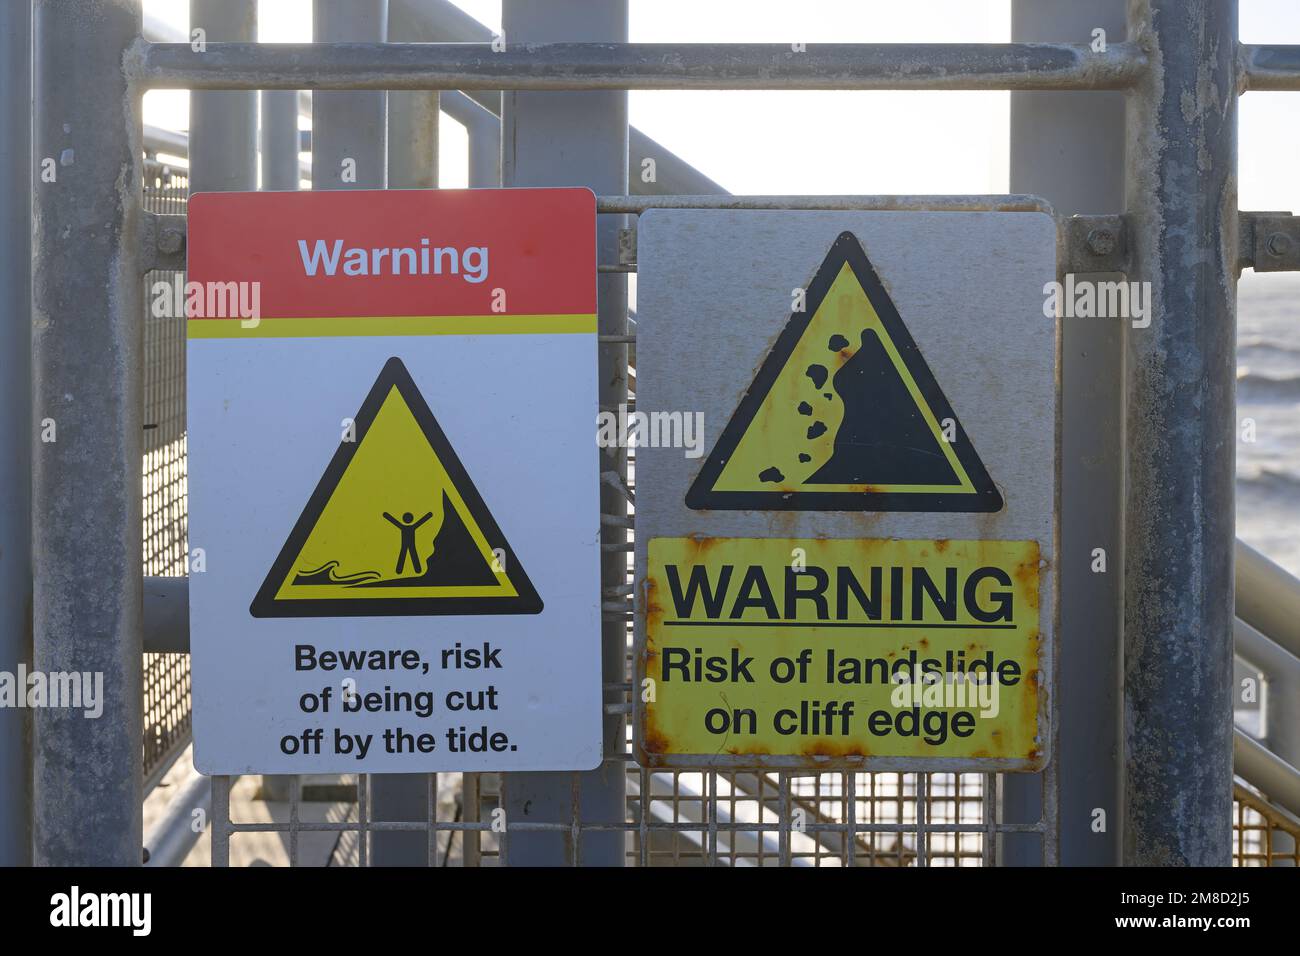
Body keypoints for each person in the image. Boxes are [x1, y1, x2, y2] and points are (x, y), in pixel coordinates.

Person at [382, 510, 433, 575]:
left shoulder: (404, 527)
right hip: (407, 544)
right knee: (410, 554)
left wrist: (386, 515)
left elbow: (394, 521)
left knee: (406, 554)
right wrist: (429, 515)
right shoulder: (411, 527)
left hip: (409, 544)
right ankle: (415, 570)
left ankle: (402, 571)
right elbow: (421, 521)